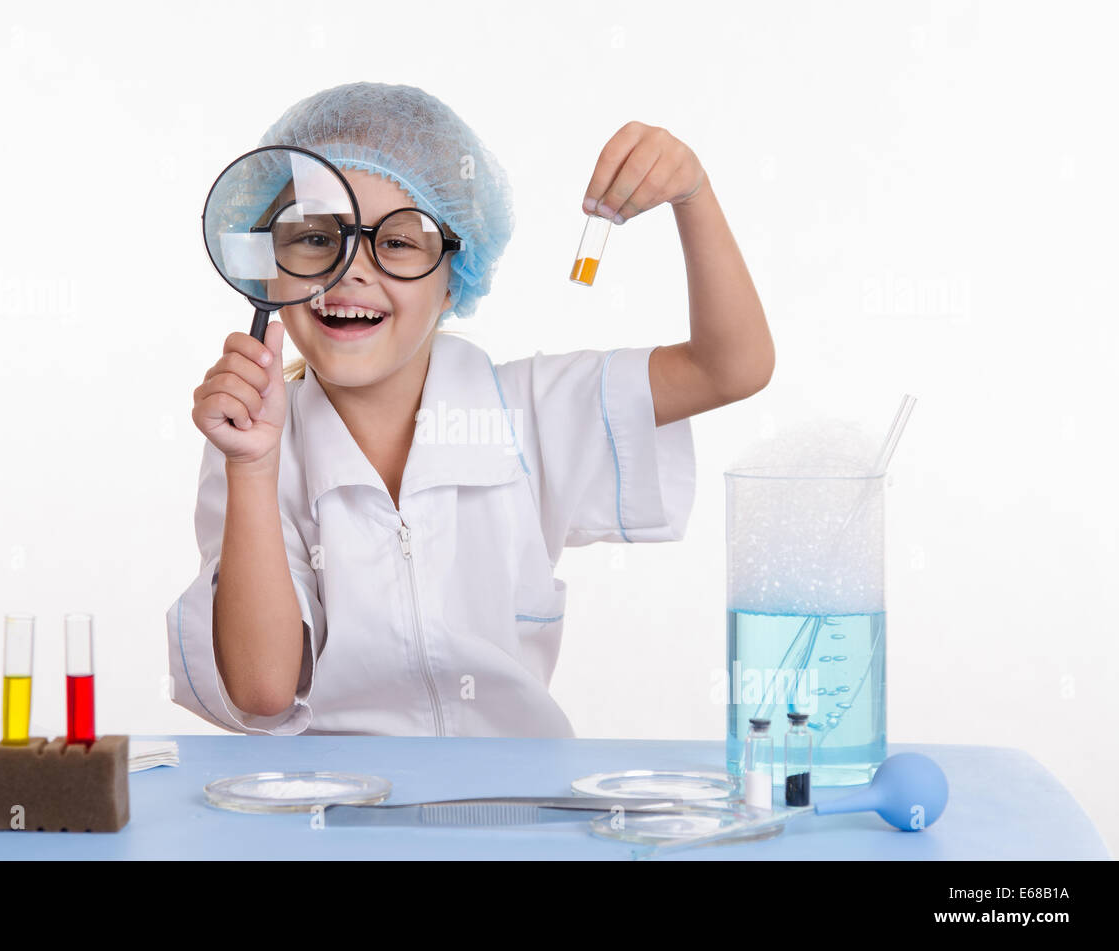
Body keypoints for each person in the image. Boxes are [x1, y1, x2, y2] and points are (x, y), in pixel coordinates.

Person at [166, 82, 774, 736]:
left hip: (516, 809)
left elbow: (731, 366)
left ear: (457, 275)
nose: (351, 272)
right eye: (316, 238)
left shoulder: (531, 412)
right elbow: (262, 691)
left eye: (398, 242)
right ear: (267, 266)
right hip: (341, 812)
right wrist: (252, 470)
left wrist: (693, 193)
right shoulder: (252, 442)